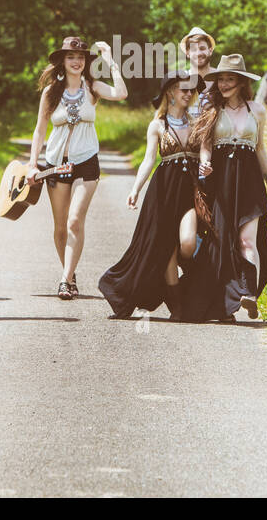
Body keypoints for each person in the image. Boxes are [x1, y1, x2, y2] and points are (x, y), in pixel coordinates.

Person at [98, 71, 211, 319]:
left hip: (189, 191)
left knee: (188, 243)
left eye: (191, 90)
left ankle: (190, 283)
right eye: (183, 89)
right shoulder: (157, 125)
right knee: (165, 248)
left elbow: (205, 150)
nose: (188, 93)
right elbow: (149, 160)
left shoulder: (197, 122)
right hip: (162, 192)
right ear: (170, 91)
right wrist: (135, 189)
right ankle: (176, 306)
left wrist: (205, 164)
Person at [27, 36, 127, 299]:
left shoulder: (92, 88)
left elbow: (121, 93)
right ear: (62, 60)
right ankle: (70, 275)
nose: (76, 61)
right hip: (56, 164)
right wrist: (31, 163)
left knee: (74, 222)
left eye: (81, 57)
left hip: (86, 162)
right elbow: (39, 131)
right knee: (60, 226)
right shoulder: (51, 93)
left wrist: (110, 61)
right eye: (71, 57)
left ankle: (64, 279)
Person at [182, 54, 267, 321]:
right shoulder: (212, 110)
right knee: (223, 242)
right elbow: (206, 145)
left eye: (230, 79)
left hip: (249, 179)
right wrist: (204, 164)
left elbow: (260, 148)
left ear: (241, 82)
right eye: (221, 79)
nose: (224, 84)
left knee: (248, 239)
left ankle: (249, 294)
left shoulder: (257, 110)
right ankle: (224, 302)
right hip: (221, 178)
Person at [180, 26, 217, 121]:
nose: (198, 53)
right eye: (193, 49)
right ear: (187, 53)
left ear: (210, 50)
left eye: (202, 48)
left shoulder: (220, 78)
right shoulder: (181, 80)